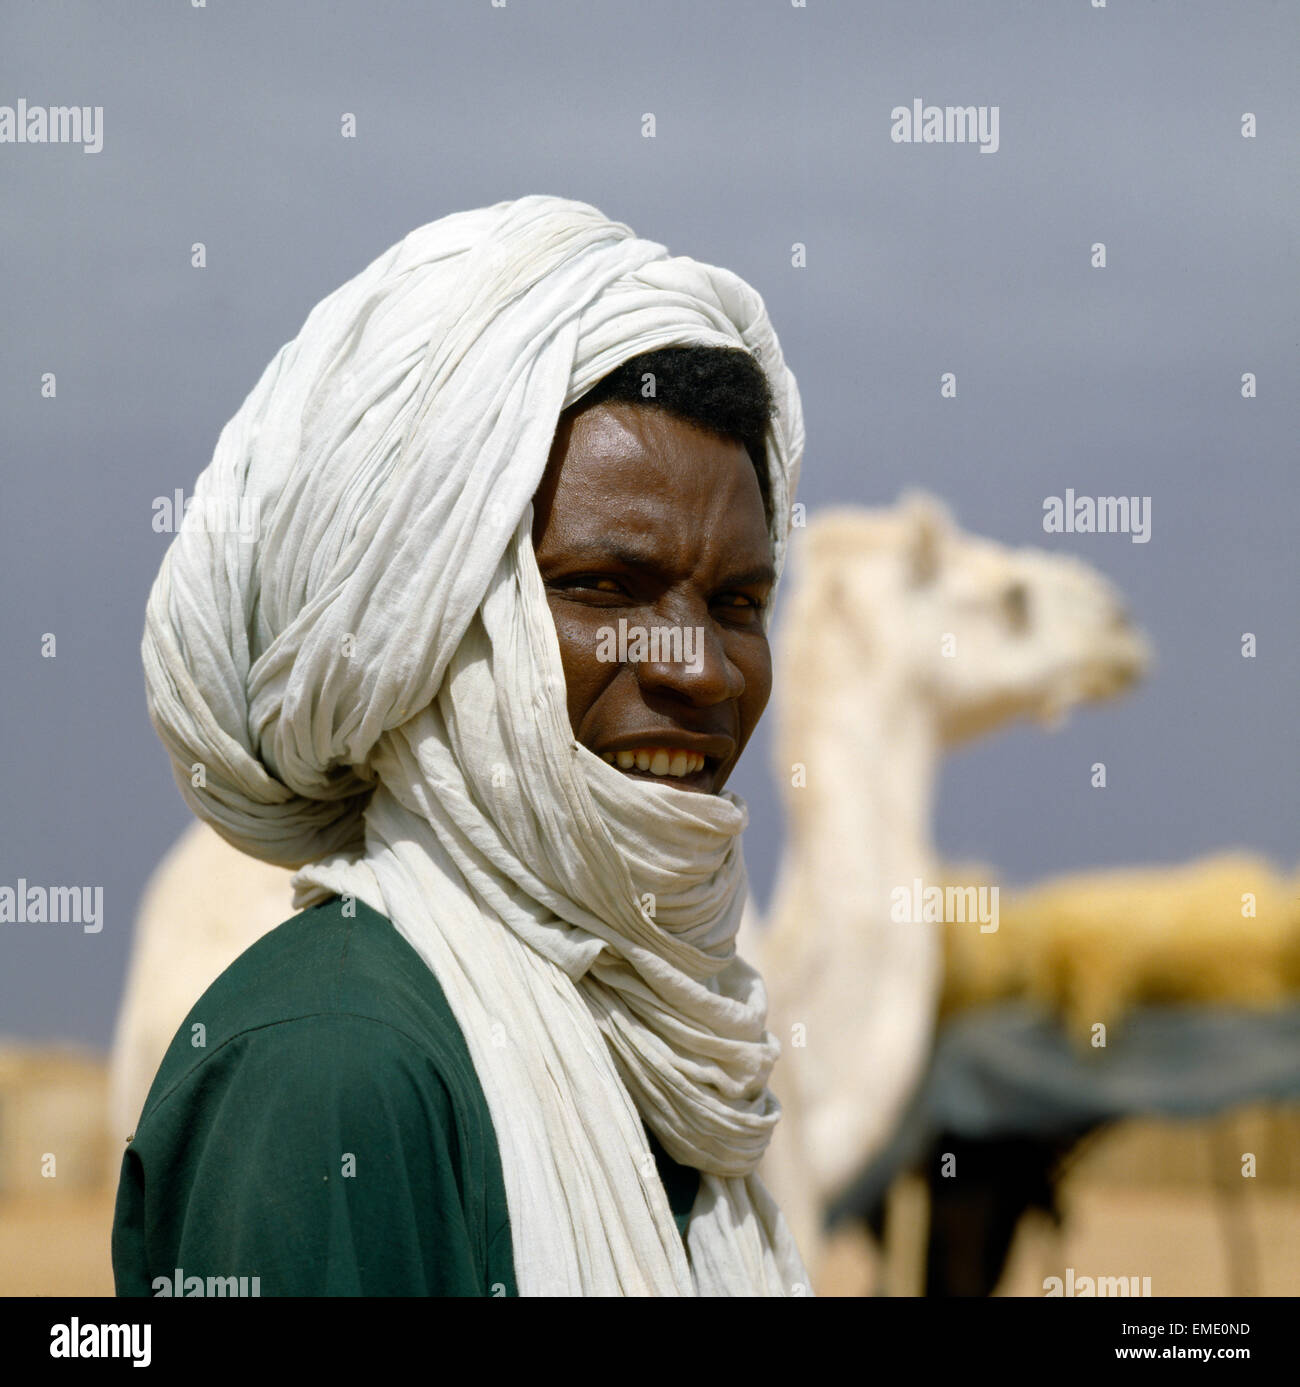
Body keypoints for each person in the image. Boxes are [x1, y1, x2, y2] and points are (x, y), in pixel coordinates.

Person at [112, 195, 808, 1296]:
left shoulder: (681, 1061)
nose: (700, 668)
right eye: (600, 588)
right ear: (414, 628)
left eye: (736, 602)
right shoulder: (333, 1071)